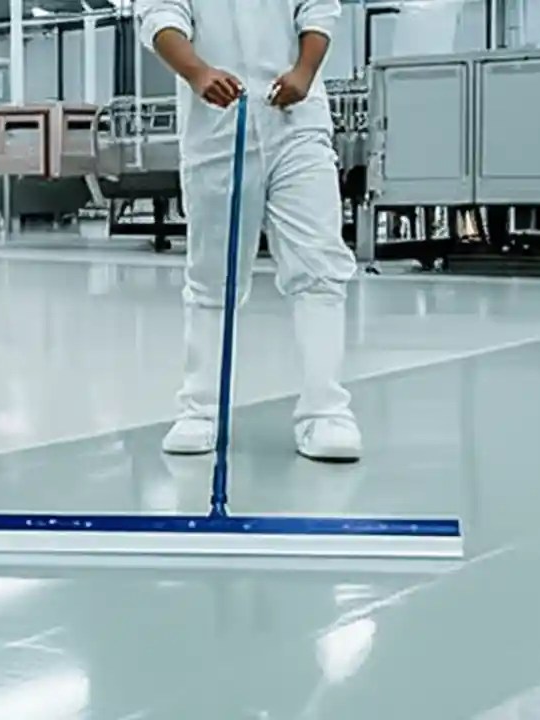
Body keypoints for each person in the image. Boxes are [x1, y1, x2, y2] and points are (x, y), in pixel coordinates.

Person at [137, 0, 362, 462]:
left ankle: (326, 412)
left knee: (319, 265)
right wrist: (197, 73)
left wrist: (304, 71)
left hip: (296, 122)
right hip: (215, 128)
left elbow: (318, 11)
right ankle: (201, 410)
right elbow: (160, 17)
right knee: (212, 275)